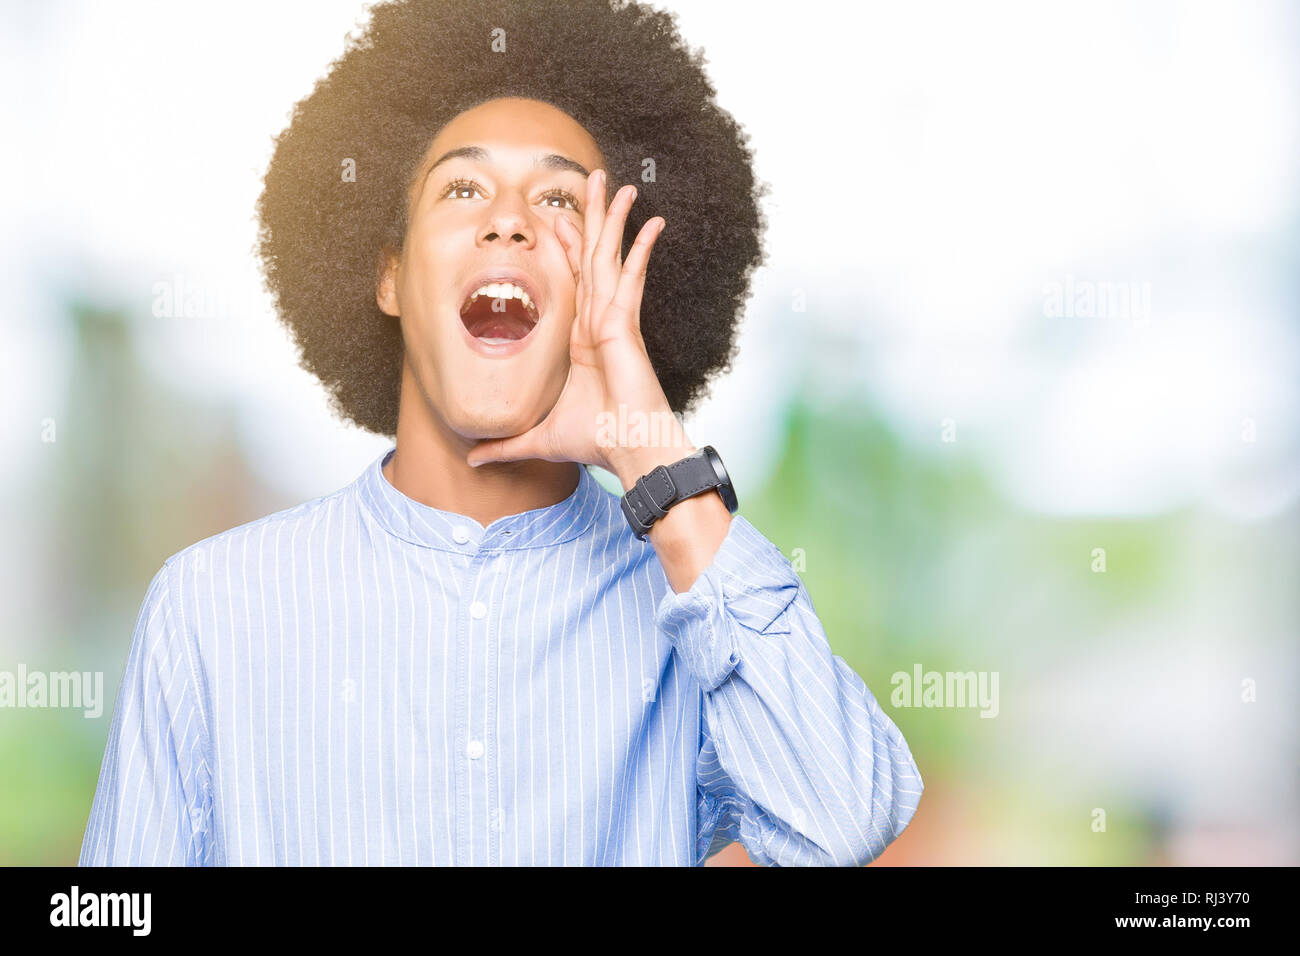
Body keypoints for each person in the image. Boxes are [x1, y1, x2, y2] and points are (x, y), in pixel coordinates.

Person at [79, 0, 923, 866]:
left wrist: (651, 452)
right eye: (463, 187)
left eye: (560, 199)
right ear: (391, 276)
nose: (510, 219)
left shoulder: (689, 602)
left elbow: (841, 821)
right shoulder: (211, 610)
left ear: (609, 282)